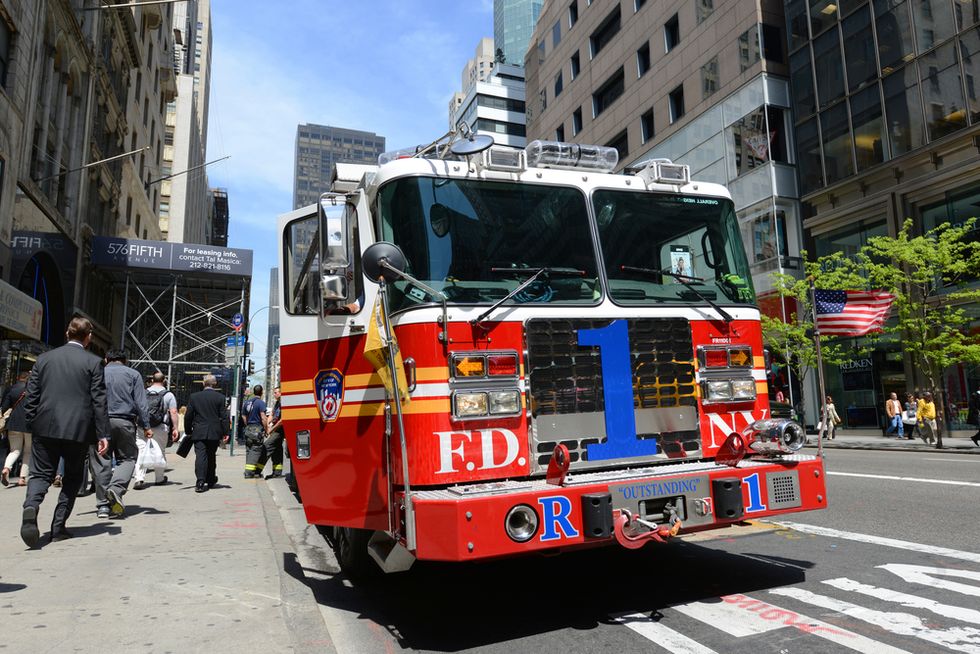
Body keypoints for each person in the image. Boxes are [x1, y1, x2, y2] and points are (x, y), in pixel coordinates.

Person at [20, 316, 110, 547]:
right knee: (72, 478)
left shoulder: (44, 359)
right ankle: (58, 527)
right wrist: (103, 434)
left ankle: (31, 506)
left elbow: (32, 395)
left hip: (45, 426)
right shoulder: (94, 362)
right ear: (88, 337)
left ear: (67, 334)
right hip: (78, 430)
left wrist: (33, 421)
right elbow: (99, 400)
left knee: (40, 474)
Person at [96, 349, 152, 518]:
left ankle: (103, 507)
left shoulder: (98, 373)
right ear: (125, 360)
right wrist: (146, 425)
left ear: (106, 359)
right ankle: (115, 489)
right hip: (125, 421)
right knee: (127, 458)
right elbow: (141, 403)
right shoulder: (133, 374)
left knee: (101, 460)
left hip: (99, 423)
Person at [184, 374, 229, 492]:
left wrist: (188, 430)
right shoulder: (220, 397)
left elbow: (188, 416)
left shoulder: (194, 397)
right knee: (211, 455)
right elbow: (224, 417)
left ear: (203, 383)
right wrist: (226, 432)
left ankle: (200, 480)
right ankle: (210, 479)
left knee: (200, 456)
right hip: (214, 431)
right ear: (215, 384)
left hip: (198, 431)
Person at [135, 372, 178, 489]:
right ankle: (159, 478)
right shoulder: (168, 395)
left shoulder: (143, 392)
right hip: (160, 426)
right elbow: (173, 412)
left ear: (152, 380)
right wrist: (175, 428)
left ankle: (139, 478)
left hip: (142, 426)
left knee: (141, 451)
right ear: (164, 381)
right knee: (160, 450)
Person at [1, 371, 31, 487]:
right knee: (28, 451)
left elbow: (4, 407)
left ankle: (6, 468)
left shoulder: (12, 389)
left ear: (18, 378)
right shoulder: (32, 389)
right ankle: (22, 478)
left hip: (13, 424)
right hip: (29, 425)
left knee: (15, 450)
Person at [251, 386, 284, 479]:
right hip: (275, 429)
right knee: (277, 450)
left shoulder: (284, 403)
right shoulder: (277, 403)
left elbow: (282, 420)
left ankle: (257, 471)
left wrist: (271, 429)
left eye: (275, 392)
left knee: (266, 447)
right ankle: (277, 472)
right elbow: (272, 414)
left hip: (280, 431)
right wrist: (268, 424)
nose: (274, 394)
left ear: (281, 393)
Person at [242, 385, 269, 479]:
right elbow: (263, 418)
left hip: (248, 428)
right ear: (261, 392)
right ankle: (249, 472)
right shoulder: (261, 403)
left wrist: (247, 426)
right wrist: (266, 429)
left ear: (254, 392)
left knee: (249, 449)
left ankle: (249, 470)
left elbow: (244, 416)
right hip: (257, 429)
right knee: (255, 449)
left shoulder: (247, 403)